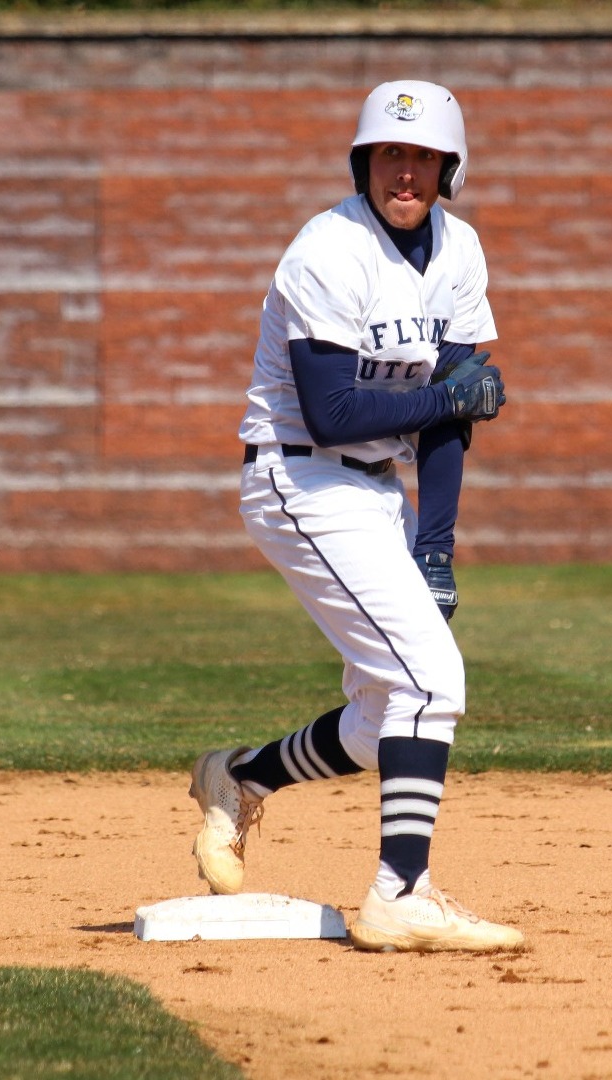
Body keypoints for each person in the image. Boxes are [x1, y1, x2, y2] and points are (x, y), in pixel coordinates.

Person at [188, 80, 517, 952]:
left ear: (448, 169)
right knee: (431, 684)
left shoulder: (460, 250)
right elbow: (332, 412)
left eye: (420, 158)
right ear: (364, 163)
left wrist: (436, 552)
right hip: (298, 482)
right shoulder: (326, 251)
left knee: (384, 717)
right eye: (387, 155)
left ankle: (239, 778)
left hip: (377, 492)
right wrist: (449, 395)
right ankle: (400, 894)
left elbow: (450, 413)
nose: (403, 172)